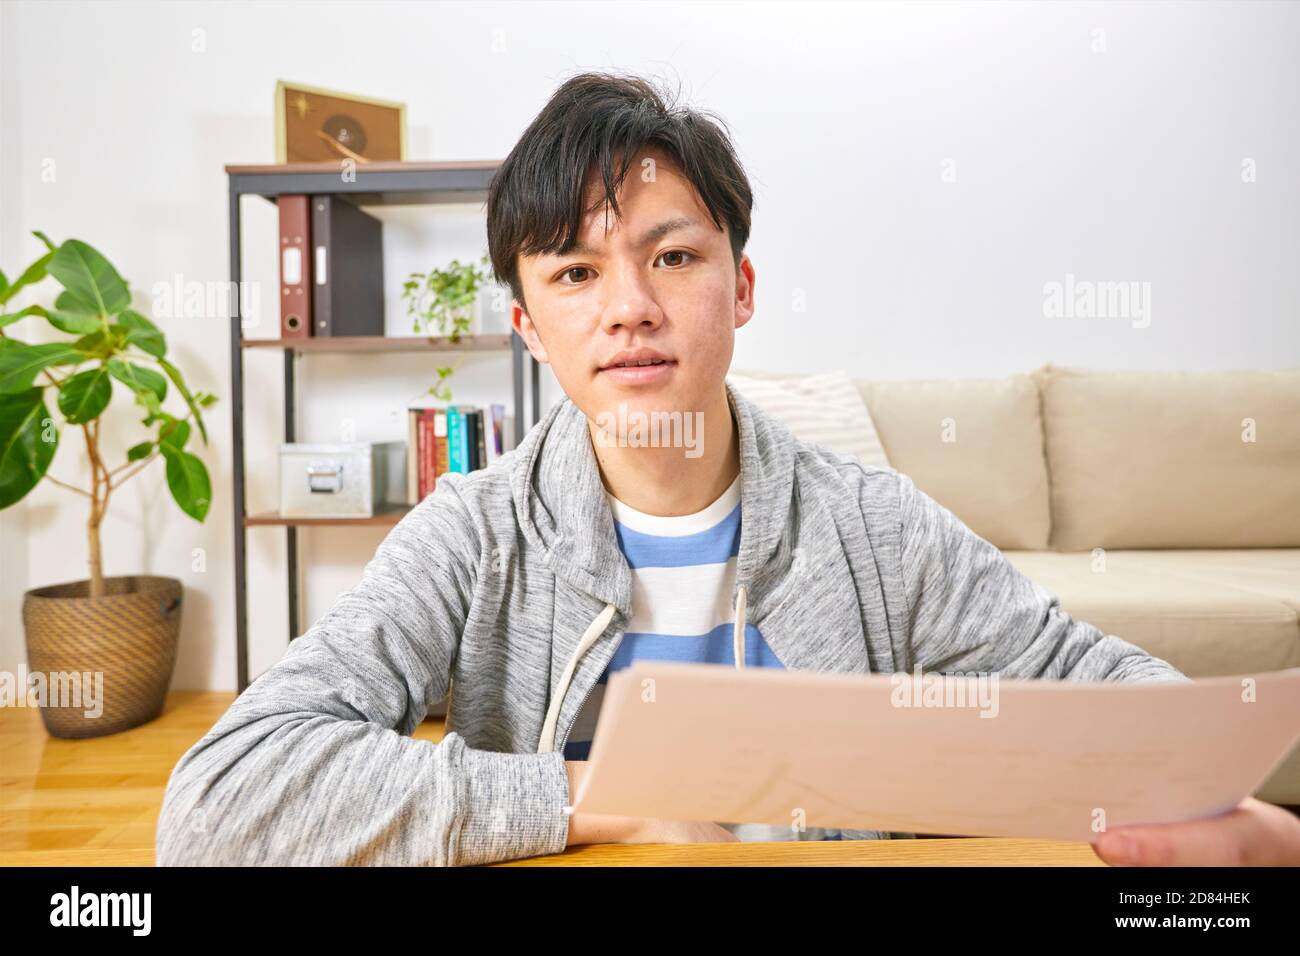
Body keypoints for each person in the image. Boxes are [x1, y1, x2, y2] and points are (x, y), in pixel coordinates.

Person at [156, 70, 1299, 866]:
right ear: (525, 324)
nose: (632, 310)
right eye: (575, 274)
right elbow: (218, 802)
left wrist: (1236, 814)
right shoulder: (474, 534)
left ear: (740, 288)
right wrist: (599, 799)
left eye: (673, 255)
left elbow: (1121, 699)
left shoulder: (873, 526)